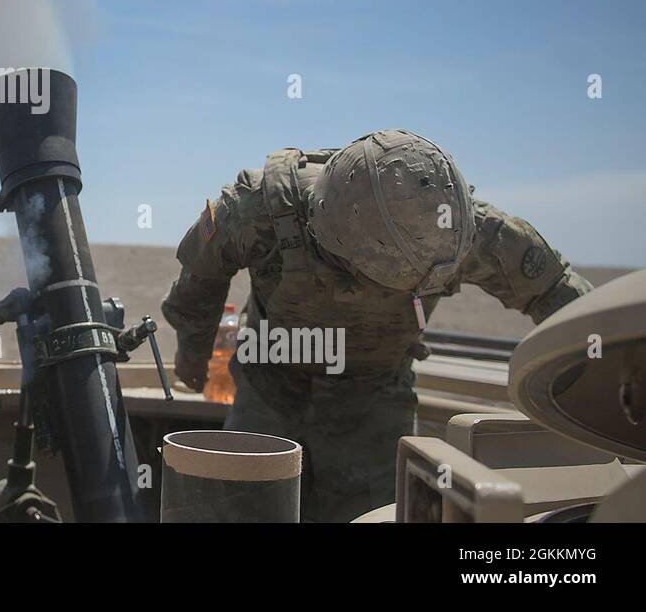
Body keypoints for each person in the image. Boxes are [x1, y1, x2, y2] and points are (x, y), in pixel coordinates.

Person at [162, 129, 591, 522]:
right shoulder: (256, 208)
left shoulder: (462, 232)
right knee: (244, 507)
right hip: (269, 387)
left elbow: (558, 294)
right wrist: (193, 350)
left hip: (374, 400)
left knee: (374, 514)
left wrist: (602, 381)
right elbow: (200, 277)